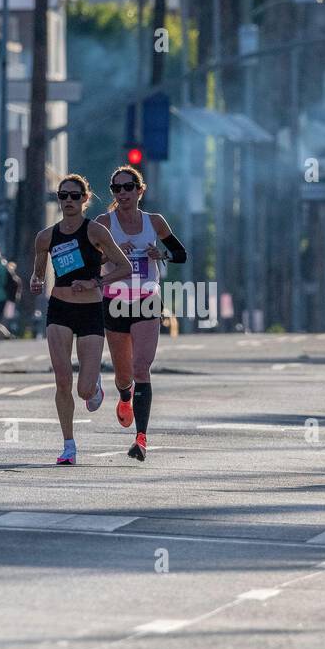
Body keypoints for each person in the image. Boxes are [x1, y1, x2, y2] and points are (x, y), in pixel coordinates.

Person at [30, 174, 133, 466]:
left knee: (83, 390)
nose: (69, 201)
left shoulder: (96, 231)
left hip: (89, 311)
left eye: (75, 196)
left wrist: (95, 282)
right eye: (63, 196)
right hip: (59, 310)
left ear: (85, 199)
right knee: (62, 379)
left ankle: (94, 384)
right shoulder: (45, 237)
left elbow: (124, 267)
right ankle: (69, 445)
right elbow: (38, 273)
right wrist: (36, 281)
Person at [94, 166, 188, 462]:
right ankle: (125, 396)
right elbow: (88, 261)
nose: (122, 193)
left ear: (140, 190)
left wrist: (161, 255)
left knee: (141, 368)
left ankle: (141, 438)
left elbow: (180, 254)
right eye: (117, 188)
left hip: (147, 300)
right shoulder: (104, 223)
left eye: (128, 187)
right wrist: (111, 253)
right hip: (115, 302)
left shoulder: (154, 222)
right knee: (124, 376)